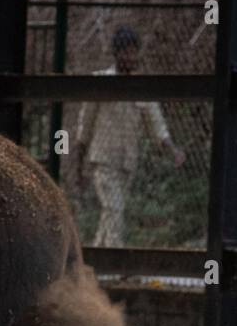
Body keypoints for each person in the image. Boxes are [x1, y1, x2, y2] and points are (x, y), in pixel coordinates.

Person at [74, 25, 185, 246]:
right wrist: (78, 166)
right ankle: (116, 262)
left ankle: (94, 261)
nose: (131, 57)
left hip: (127, 161)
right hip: (103, 159)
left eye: (134, 51)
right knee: (115, 208)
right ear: (117, 54)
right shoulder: (100, 82)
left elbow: (157, 124)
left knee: (111, 212)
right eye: (126, 52)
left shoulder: (142, 86)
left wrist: (173, 151)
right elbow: (84, 126)